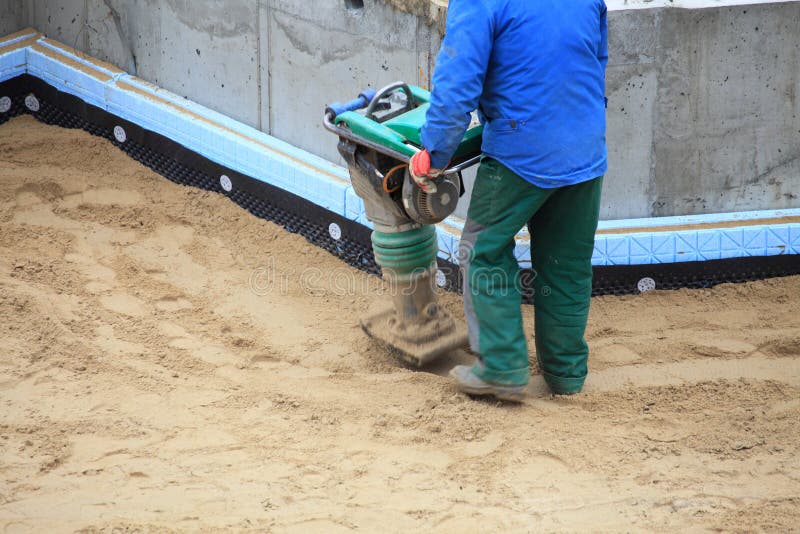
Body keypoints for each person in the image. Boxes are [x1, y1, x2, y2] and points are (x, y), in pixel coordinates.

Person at [409, 0, 608, 401]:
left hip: (523, 149)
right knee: (565, 264)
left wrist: (435, 152)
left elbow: (457, 83)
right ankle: (566, 375)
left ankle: (501, 366)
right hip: (586, 148)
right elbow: (595, 61)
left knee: (482, 250)